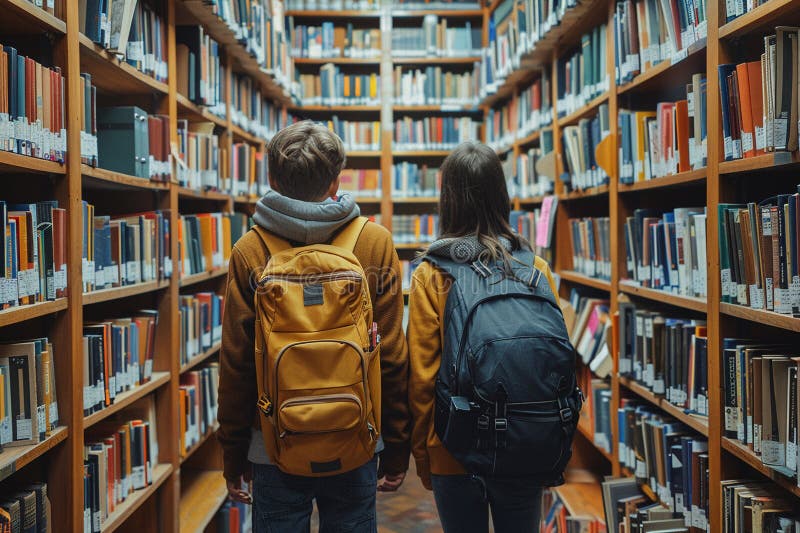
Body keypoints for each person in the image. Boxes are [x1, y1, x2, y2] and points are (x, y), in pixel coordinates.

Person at [217, 120, 410, 532]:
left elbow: (236, 363)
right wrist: (396, 448)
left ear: (271, 178)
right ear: (337, 179)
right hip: (357, 433)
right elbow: (391, 355)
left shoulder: (251, 249)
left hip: (273, 443)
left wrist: (233, 453)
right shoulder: (374, 243)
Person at [407, 142, 565, 533]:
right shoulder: (536, 268)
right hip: (526, 439)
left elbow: (422, 379)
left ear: (448, 200)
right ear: (502, 195)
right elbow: (556, 357)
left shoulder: (432, 274)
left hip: (453, 447)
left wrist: (426, 459)